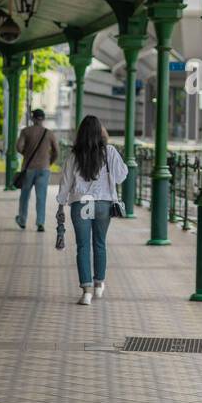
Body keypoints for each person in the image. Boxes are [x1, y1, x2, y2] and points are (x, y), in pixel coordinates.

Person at [54, 115, 127, 306]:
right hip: (103, 204)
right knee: (100, 244)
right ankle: (99, 284)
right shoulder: (109, 151)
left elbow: (65, 184)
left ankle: (86, 291)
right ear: (100, 132)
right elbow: (121, 176)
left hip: (81, 204)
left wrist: (61, 205)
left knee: (83, 246)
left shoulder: (73, 155)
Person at [15, 108, 59, 232]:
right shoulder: (49, 133)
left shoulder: (26, 131)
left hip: (29, 168)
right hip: (44, 169)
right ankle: (40, 223)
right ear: (43, 119)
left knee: (24, 196)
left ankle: (22, 220)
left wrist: (26, 153)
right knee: (41, 197)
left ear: (32, 118)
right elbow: (57, 151)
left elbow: (18, 147)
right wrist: (49, 162)